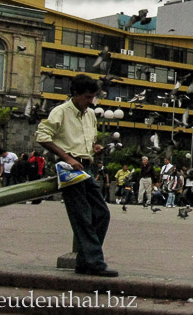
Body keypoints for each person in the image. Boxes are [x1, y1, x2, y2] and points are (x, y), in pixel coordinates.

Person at [36, 74, 117, 277]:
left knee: (101, 214)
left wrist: (94, 148)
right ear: (76, 94)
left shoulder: (90, 115)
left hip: (85, 167)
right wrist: (67, 157)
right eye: (88, 97)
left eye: (93, 98)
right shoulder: (60, 111)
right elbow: (42, 136)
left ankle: (84, 261)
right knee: (82, 216)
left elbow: (87, 141)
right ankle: (94, 262)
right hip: (69, 168)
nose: (91, 102)